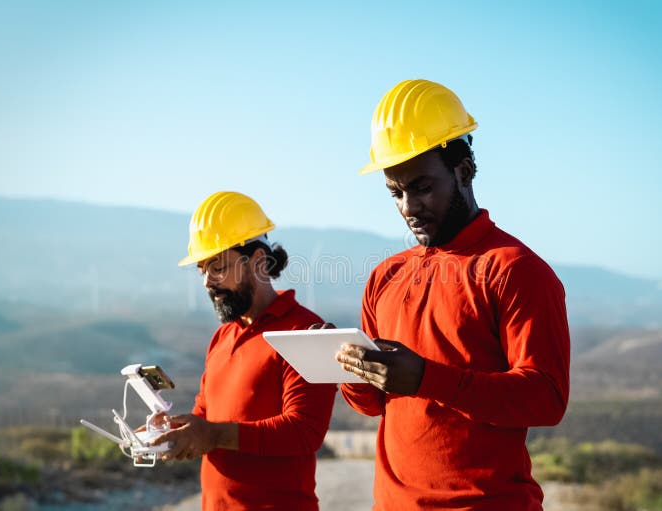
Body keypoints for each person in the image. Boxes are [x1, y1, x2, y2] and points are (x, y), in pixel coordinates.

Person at [334, 79, 571, 510]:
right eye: (395, 192)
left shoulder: (516, 270)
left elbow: (547, 398)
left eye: (422, 187)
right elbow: (371, 405)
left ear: (463, 171)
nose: (408, 206)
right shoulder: (385, 276)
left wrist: (426, 378)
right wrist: (349, 366)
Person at [151, 191, 337, 511]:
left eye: (218, 268)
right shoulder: (221, 338)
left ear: (259, 262)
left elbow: (304, 431)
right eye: (202, 270)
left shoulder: (306, 331)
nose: (208, 282)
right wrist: (171, 432)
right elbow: (205, 417)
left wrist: (214, 435)